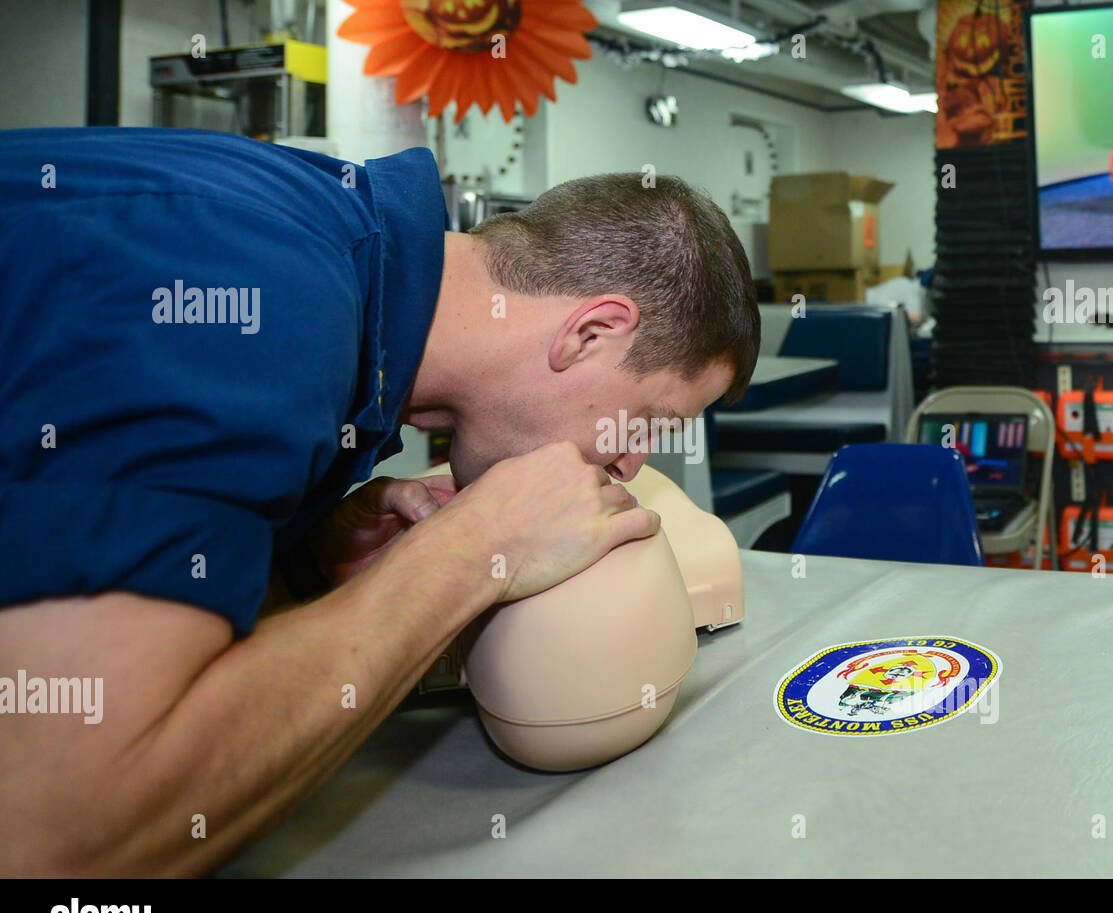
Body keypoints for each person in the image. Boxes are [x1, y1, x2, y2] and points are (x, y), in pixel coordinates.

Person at [0, 126, 759, 874]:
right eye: (652, 422)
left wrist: (299, 568)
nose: (630, 462)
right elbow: (63, 830)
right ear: (591, 333)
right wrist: (465, 554)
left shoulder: (326, 266)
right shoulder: (261, 298)